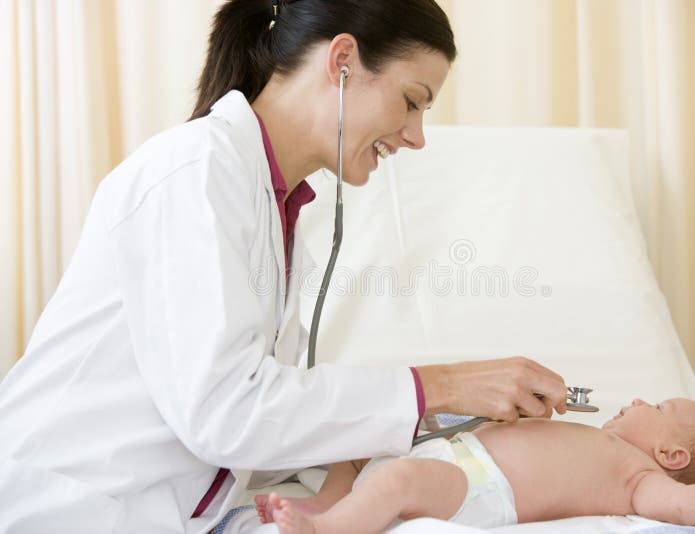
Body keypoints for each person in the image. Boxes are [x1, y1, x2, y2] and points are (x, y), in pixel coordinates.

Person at [0, 1, 569, 533]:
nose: (416, 136)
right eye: (412, 100)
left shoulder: (277, 212)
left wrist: (422, 431)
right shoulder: (194, 171)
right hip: (65, 507)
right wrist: (440, 387)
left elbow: (261, 424)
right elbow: (226, 413)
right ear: (343, 61)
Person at [255, 398, 695, 533]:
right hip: (453, 450)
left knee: (400, 480)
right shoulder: (594, 436)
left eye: (656, 407)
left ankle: (327, 527)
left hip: (477, 486)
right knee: (358, 442)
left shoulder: (642, 480)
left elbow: (686, 506)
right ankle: (324, 502)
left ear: (671, 455)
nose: (636, 400)